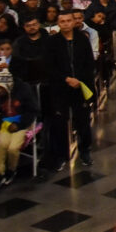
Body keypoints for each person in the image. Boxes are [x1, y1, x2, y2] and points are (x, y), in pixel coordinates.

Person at [41, 9, 96, 169]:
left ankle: (85, 150)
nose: (66, 24)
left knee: (83, 121)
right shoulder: (52, 42)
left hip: (80, 86)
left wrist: (80, 80)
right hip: (60, 87)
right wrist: (66, 78)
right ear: (58, 24)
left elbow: (89, 63)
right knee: (59, 122)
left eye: (68, 21)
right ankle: (61, 155)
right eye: (62, 21)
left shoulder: (82, 39)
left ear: (73, 22)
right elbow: (49, 66)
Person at [0, 55, 39, 189]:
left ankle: (11, 170)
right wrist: (1, 122)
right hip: (5, 124)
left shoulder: (24, 89)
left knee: (13, 148)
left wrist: (20, 124)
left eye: (2, 89)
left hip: (21, 124)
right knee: (2, 144)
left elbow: (33, 110)